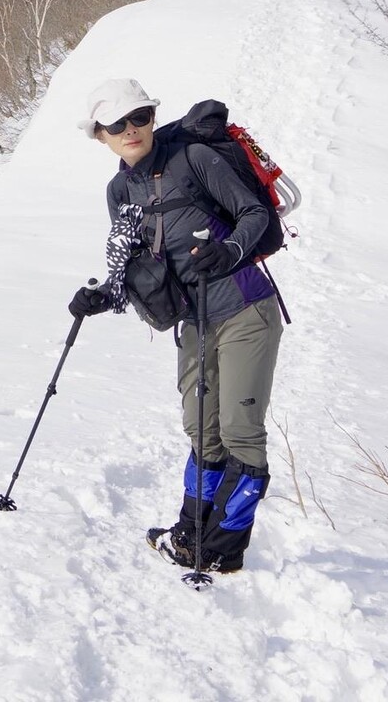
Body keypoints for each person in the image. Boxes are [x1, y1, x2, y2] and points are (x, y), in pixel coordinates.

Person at [68, 78, 283, 574]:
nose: (131, 129)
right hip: (194, 321)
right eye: (116, 124)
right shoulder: (119, 190)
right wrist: (104, 295)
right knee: (201, 430)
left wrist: (229, 249)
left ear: (152, 117)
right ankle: (191, 535)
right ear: (99, 135)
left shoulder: (194, 159)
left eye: (139, 116)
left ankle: (223, 550)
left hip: (245, 309)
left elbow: (254, 213)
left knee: (240, 432)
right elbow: (137, 264)